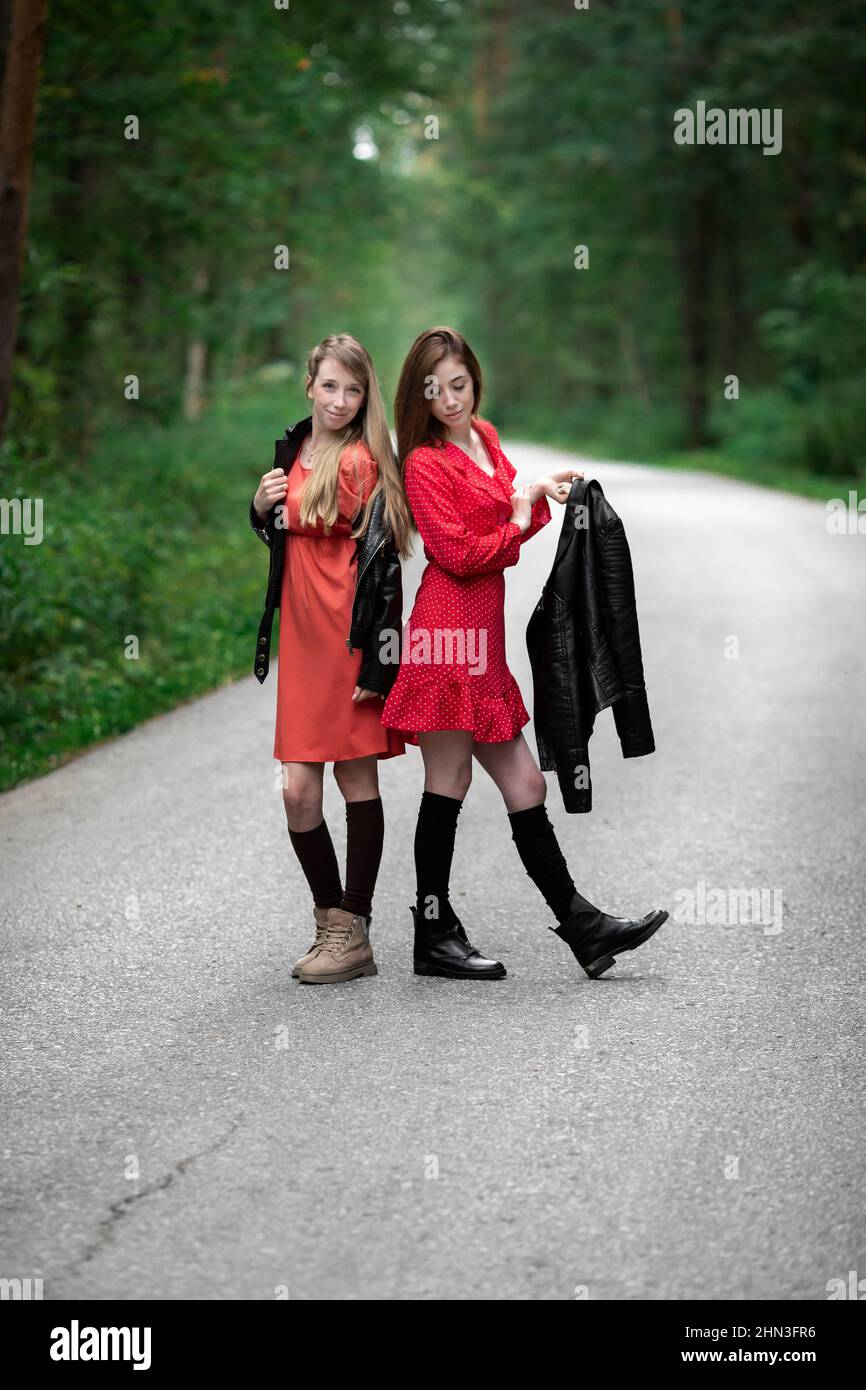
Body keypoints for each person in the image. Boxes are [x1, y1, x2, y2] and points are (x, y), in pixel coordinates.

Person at [381, 327, 668, 980]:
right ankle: (433, 932)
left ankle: (584, 931)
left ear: (474, 378)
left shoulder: (484, 436)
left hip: (481, 642)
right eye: (436, 391)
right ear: (417, 397)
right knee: (447, 781)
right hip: (445, 638)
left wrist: (538, 497)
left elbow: (504, 524)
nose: (451, 400)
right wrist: (516, 516)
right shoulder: (424, 463)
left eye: (459, 384)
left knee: (526, 782)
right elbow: (456, 555)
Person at [250, 334, 411, 984]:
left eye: (353, 389)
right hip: (303, 644)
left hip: (350, 638)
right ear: (310, 386)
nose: (340, 399)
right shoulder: (294, 448)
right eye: (330, 386)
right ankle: (331, 922)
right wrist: (259, 509)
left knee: (356, 783)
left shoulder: (365, 462)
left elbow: (385, 567)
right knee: (296, 792)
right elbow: (282, 529)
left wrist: (379, 663)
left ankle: (352, 928)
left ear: (363, 395)